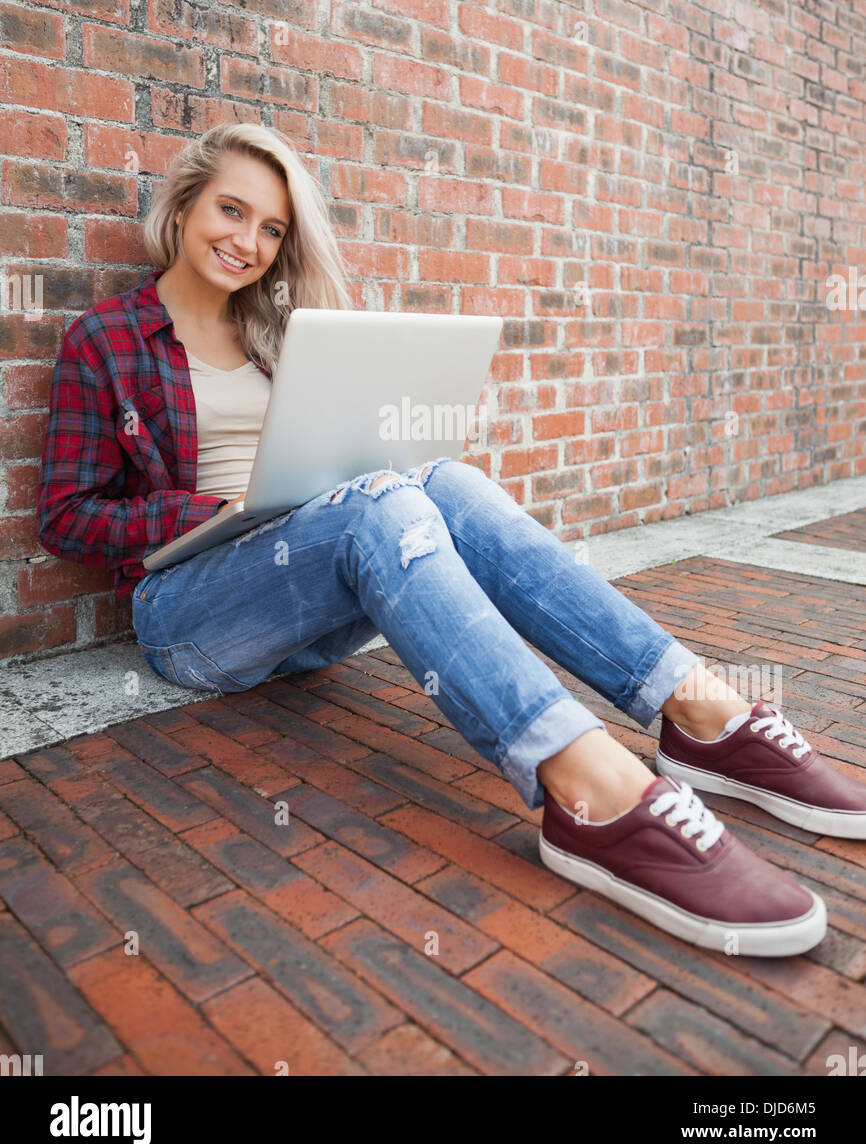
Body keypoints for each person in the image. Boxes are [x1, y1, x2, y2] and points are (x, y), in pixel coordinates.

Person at [38, 123, 866, 959]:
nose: (248, 242)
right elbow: (67, 516)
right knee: (374, 508)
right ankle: (592, 789)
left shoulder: (276, 334)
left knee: (444, 480)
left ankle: (699, 713)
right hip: (190, 614)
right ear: (183, 206)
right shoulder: (105, 340)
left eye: (273, 229)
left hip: (306, 603)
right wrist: (213, 507)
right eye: (232, 210)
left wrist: (322, 484)